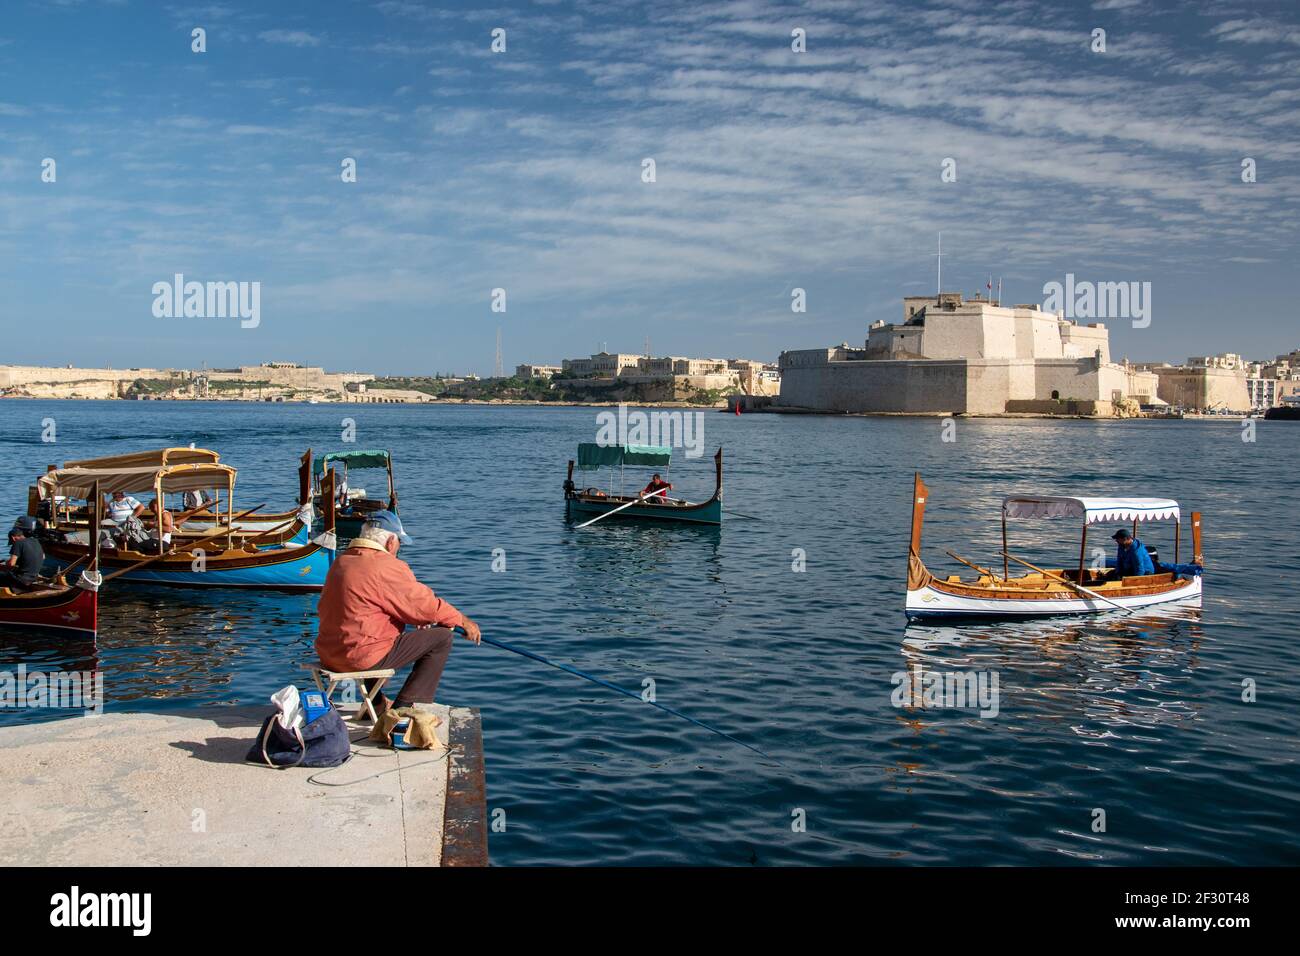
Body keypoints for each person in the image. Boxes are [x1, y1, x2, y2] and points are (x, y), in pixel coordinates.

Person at [316, 511, 480, 718]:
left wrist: (414, 618)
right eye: (400, 543)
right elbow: (425, 605)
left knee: (367, 637)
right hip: (358, 658)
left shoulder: (342, 562)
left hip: (329, 654)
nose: (399, 548)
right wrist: (462, 621)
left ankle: (375, 705)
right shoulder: (384, 565)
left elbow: (368, 608)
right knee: (441, 638)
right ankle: (405, 708)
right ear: (391, 541)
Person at [0, 517, 45, 590]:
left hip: (20, 580)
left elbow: (11, 564)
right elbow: (42, 557)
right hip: (33, 579)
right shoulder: (36, 542)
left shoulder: (18, 543)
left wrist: (6, 563)